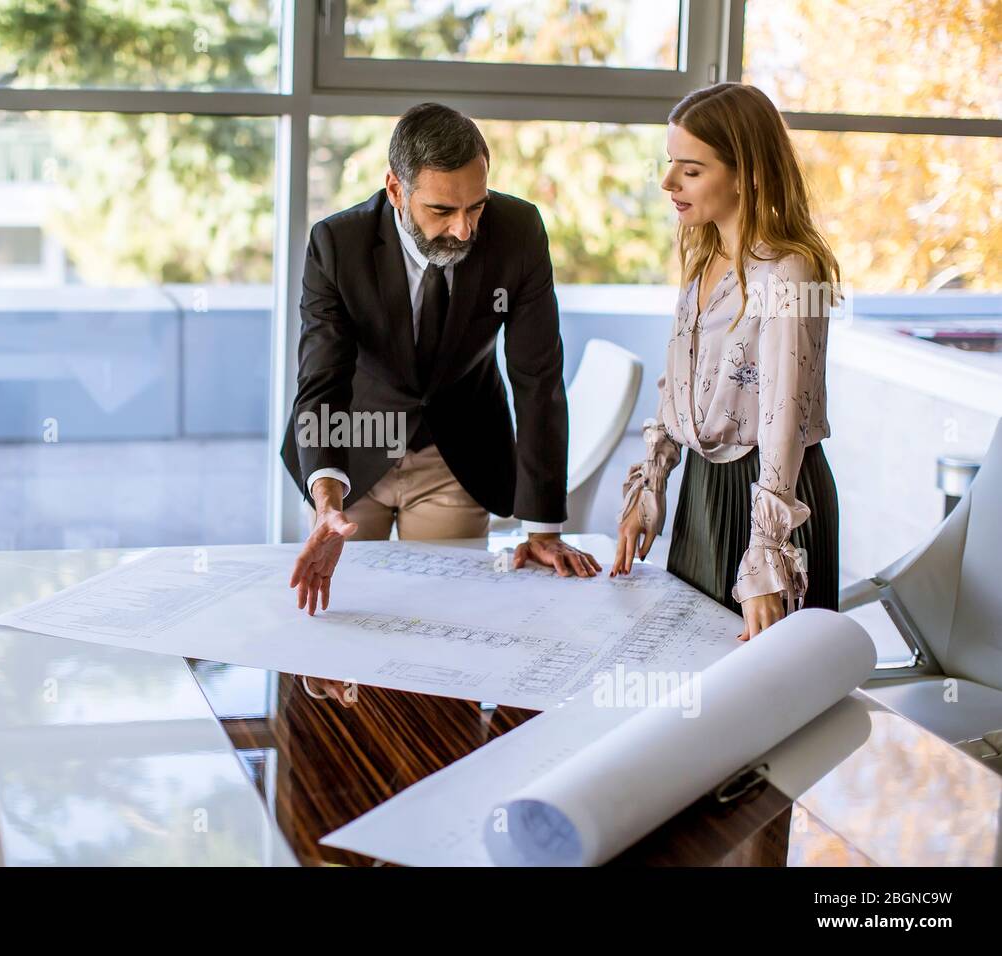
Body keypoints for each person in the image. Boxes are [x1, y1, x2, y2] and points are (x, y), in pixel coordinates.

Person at [282, 102, 600, 620]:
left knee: (446, 617)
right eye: (441, 211)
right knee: (350, 615)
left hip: (457, 455)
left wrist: (543, 527)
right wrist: (326, 501)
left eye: (475, 206)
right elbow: (322, 379)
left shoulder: (518, 231)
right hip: (355, 448)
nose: (463, 230)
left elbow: (537, 377)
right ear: (395, 190)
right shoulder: (338, 243)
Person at [611, 82, 842, 642]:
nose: (667, 183)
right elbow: (679, 381)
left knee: (768, 695)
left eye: (690, 170)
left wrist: (766, 550)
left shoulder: (789, 271)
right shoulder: (704, 255)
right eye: (670, 165)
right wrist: (653, 482)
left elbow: (782, 416)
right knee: (694, 670)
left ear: (746, 174)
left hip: (771, 495)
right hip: (704, 491)